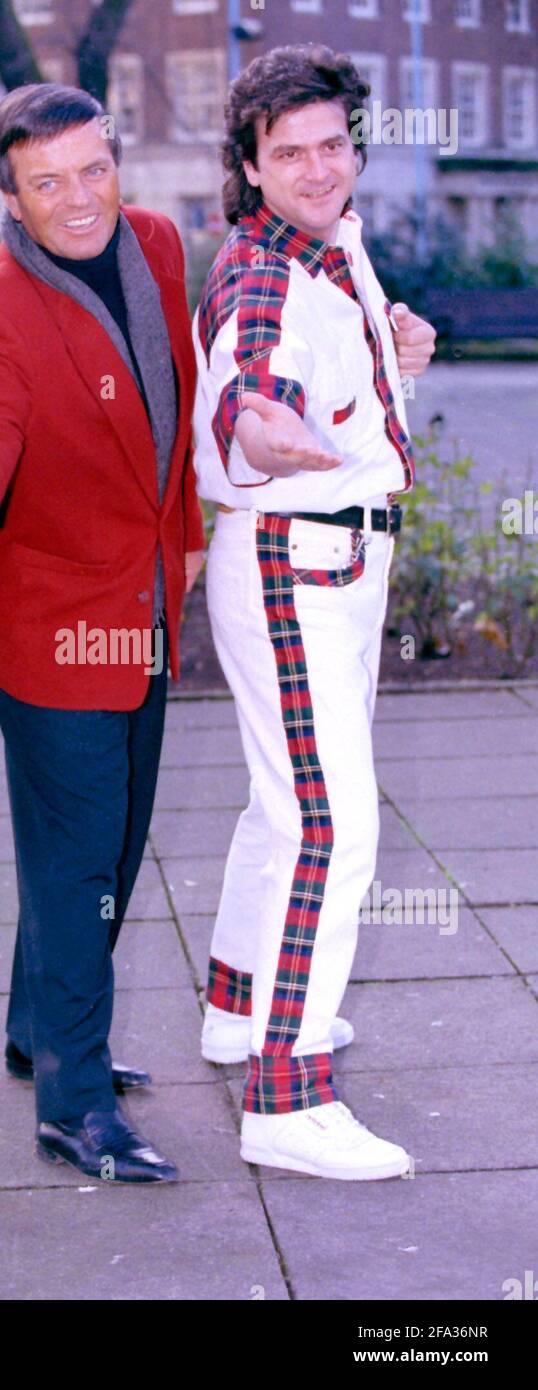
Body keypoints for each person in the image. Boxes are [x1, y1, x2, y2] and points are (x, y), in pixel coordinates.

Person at [0, 83, 206, 1183]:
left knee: (106, 853)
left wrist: (188, 537)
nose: (79, 199)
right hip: (57, 627)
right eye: (48, 182)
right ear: (8, 194)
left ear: (116, 159)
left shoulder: (157, 244)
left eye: (93, 169)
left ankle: (32, 1028)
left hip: (147, 601)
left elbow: (175, 405)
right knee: (80, 870)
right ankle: (73, 1106)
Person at [193, 45, 436, 1179]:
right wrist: (261, 425)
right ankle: (285, 1100)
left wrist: (398, 365)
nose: (316, 167)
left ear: (355, 147)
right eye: (287, 152)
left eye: (333, 145)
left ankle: (242, 1009)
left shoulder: (335, 247)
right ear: (250, 163)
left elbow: (325, 379)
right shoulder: (264, 269)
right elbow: (253, 376)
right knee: (332, 827)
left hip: (326, 558)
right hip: (298, 559)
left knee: (283, 804)